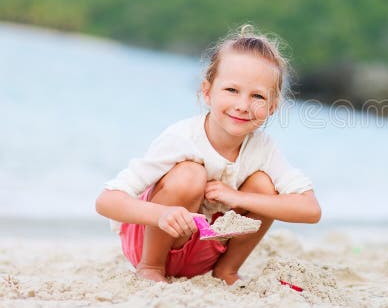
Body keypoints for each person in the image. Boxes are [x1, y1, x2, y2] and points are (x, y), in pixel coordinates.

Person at [95, 25, 321, 284]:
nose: (243, 105)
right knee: (190, 175)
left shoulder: (264, 149)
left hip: (204, 253)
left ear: (272, 107)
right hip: (153, 240)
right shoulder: (182, 138)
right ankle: (150, 268)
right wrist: (161, 214)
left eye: (257, 96)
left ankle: (226, 270)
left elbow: (310, 210)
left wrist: (237, 197)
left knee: (264, 186)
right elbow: (106, 201)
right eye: (231, 90)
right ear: (207, 91)